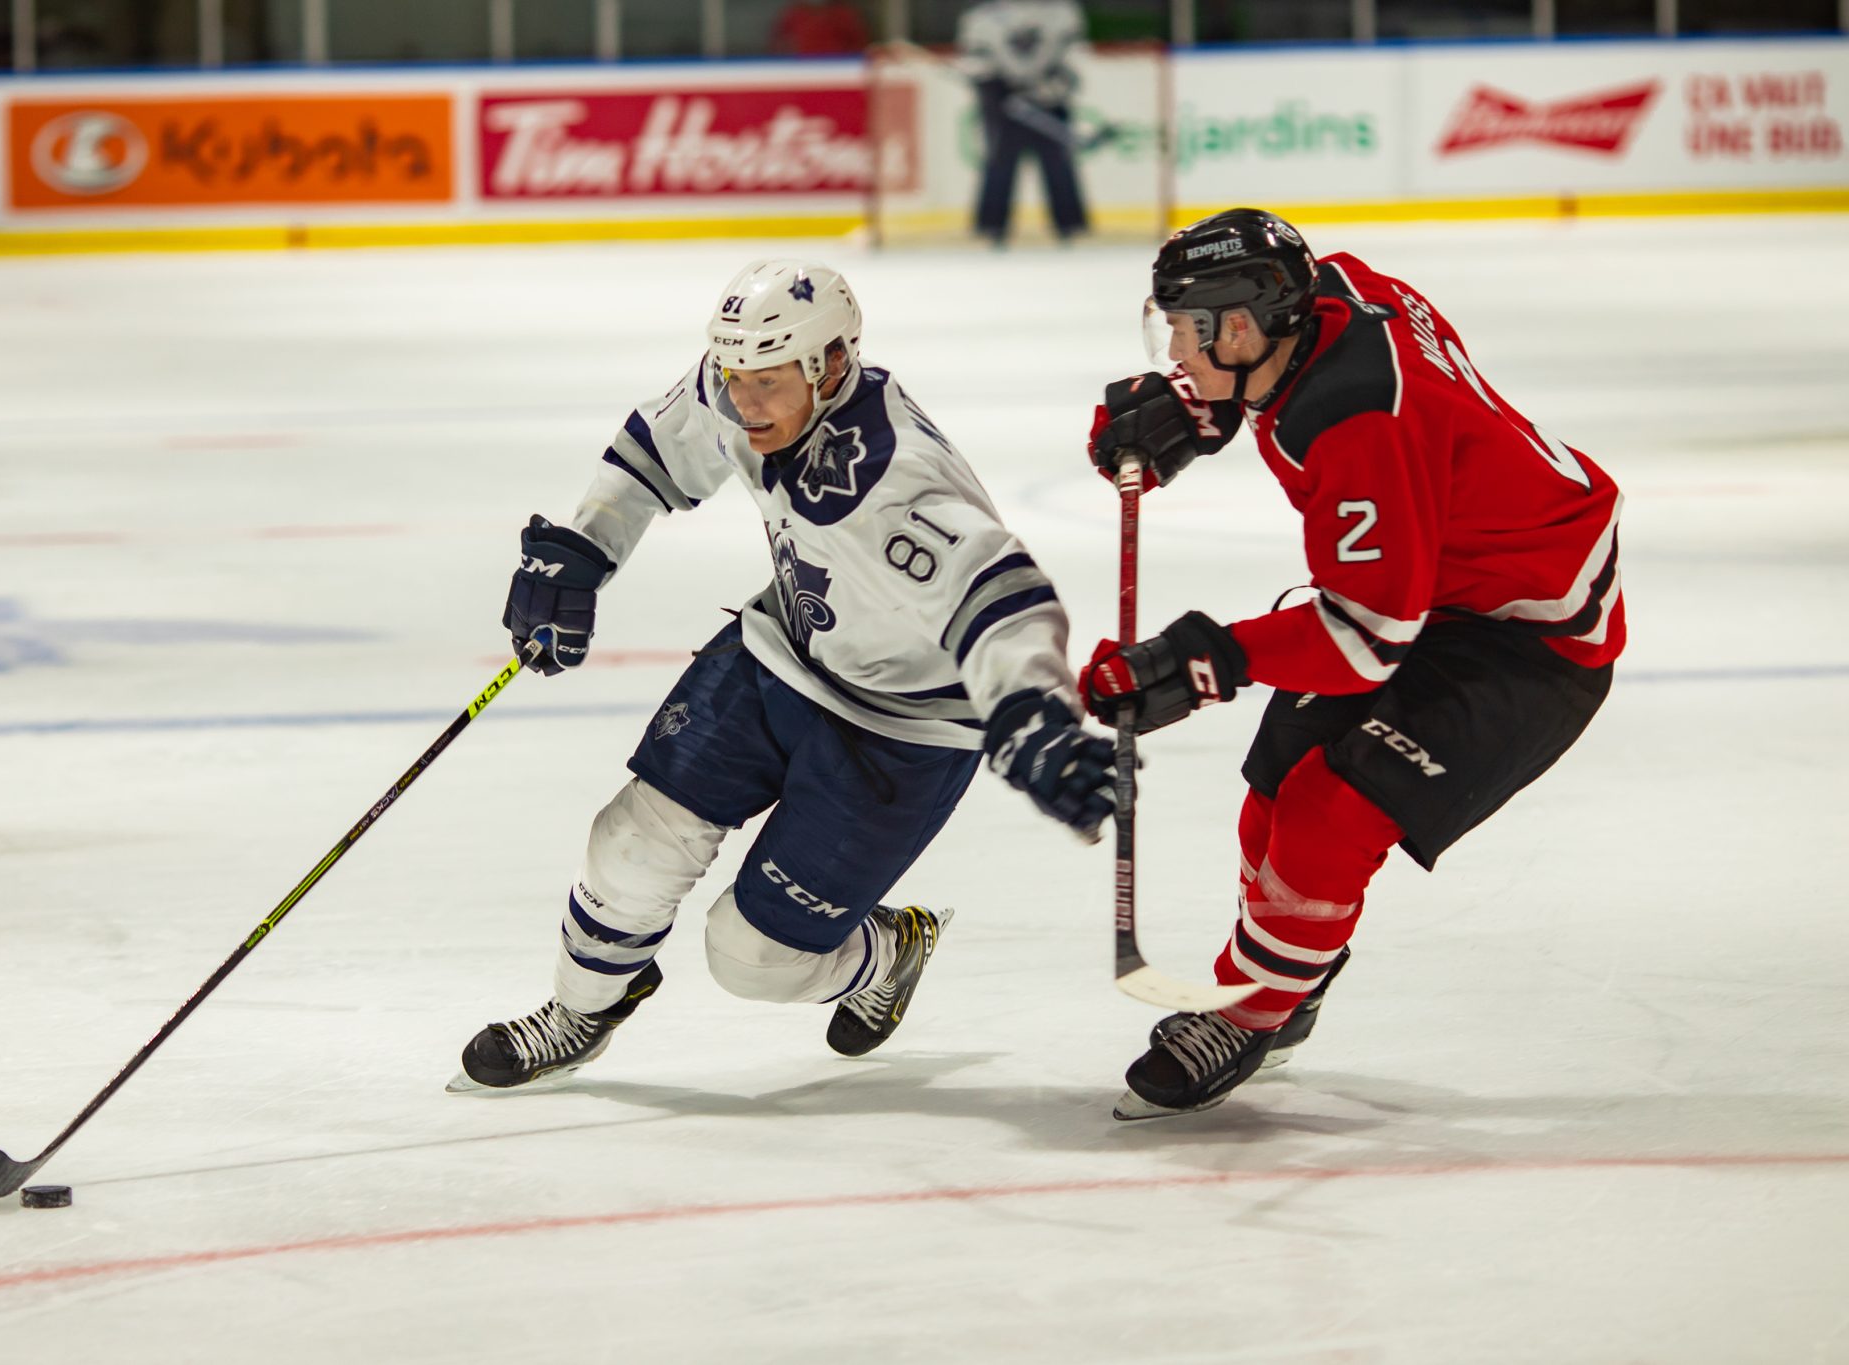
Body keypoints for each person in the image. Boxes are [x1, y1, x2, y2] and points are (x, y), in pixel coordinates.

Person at [449, 259, 1114, 1092]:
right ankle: (584, 1009)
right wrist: (583, 550)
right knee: (629, 845)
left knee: (750, 957)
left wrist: (1036, 718)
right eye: (733, 377)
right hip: (785, 653)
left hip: (902, 733)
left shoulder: (898, 479)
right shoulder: (749, 385)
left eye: (766, 382)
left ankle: (889, 949)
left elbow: (1001, 595)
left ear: (831, 364)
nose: (742, 403)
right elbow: (660, 447)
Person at [1081, 208, 1626, 1120]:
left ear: (1243, 327)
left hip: (1530, 635)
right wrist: (1201, 405)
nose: (1171, 345)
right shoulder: (1333, 289)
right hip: (1444, 581)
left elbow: (1367, 636)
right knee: (1275, 785)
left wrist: (1202, 660)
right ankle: (1292, 967)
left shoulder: (1354, 421)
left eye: (1183, 331)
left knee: (1328, 816)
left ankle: (1251, 1010)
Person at [957, 0, 1091, 245]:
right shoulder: (982, 16)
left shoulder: (1062, 12)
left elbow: (1077, 56)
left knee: (1057, 161)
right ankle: (992, 226)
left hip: (1050, 101)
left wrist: (1056, 87)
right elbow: (974, 61)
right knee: (1000, 160)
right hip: (1004, 105)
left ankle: (1069, 224)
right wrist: (993, 88)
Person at [771, 0, 870, 56]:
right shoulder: (794, 14)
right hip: (801, 69)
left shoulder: (843, 14)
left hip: (836, 69)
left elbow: (859, 46)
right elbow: (778, 44)